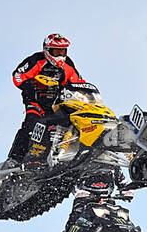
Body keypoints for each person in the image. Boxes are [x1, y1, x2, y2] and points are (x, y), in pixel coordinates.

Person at [7, 33, 88, 165]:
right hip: (36, 100)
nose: (60, 55)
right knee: (31, 123)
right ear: (47, 50)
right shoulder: (35, 60)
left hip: (57, 102)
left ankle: (64, 155)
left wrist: (84, 92)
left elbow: (77, 81)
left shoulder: (67, 64)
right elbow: (18, 76)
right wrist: (31, 86)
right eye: (56, 51)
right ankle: (16, 157)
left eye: (63, 51)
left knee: (68, 123)